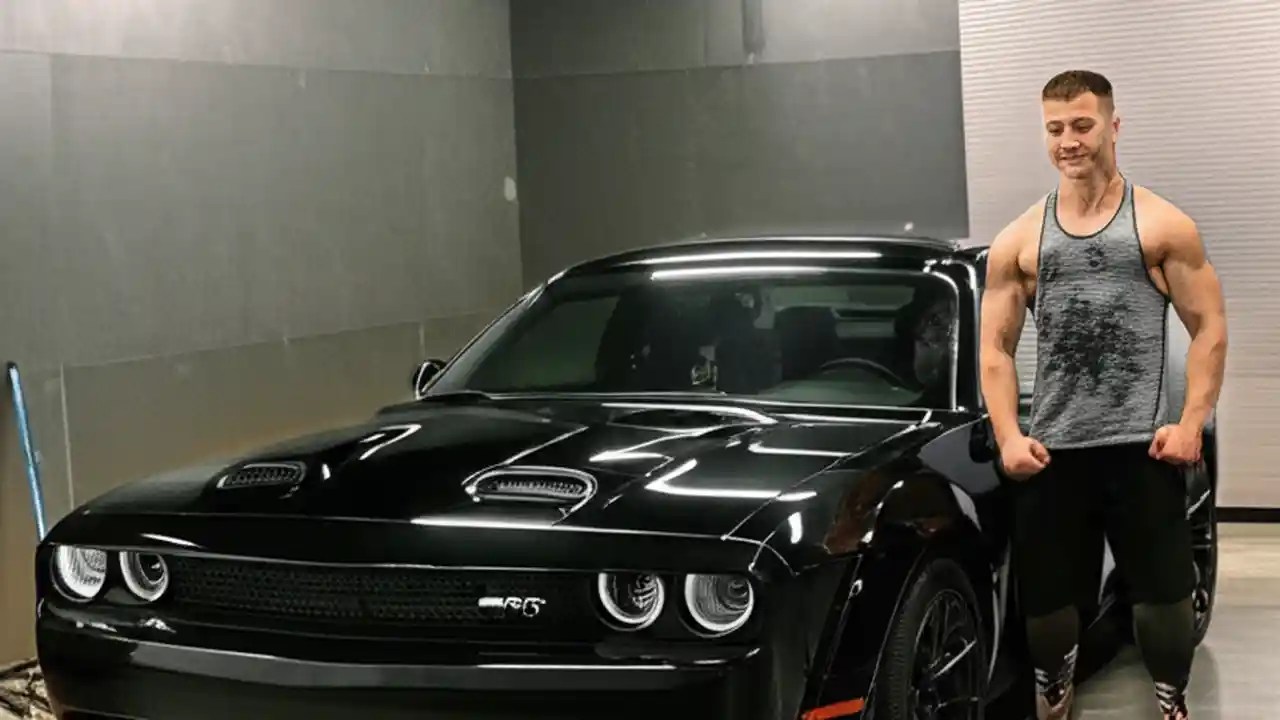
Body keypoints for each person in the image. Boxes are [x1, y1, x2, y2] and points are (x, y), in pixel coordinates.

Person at [979, 70, 1228, 720]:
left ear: (1112, 126)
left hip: (1141, 449)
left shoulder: (1160, 225)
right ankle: (1054, 683)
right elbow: (994, 351)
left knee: (1165, 601)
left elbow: (1210, 329)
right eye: (1055, 128)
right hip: (1055, 450)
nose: (1069, 141)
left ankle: (1171, 696)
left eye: (1082, 125)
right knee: (1050, 606)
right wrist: (1008, 435)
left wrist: (1191, 421)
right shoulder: (1019, 241)